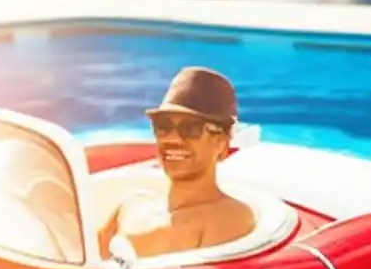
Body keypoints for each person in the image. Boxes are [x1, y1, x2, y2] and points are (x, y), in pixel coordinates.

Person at [98, 66, 255, 258]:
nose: (172, 139)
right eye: (163, 126)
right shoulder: (131, 206)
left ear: (221, 142)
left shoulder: (229, 217)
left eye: (191, 128)